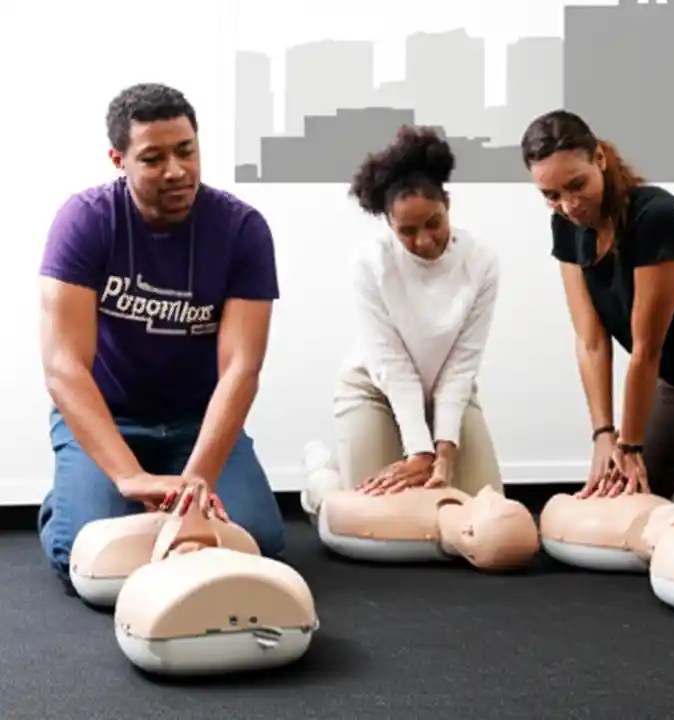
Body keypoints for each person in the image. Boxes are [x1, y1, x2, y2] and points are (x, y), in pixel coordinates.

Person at [36, 82, 286, 584]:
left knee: (260, 540)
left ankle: (148, 503)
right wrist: (127, 475)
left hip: (196, 420)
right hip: (111, 416)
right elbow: (63, 367)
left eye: (186, 151)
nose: (176, 171)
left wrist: (199, 477)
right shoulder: (84, 222)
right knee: (81, 555)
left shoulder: (242, 230)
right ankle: (75, 494)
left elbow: (242, 366)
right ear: (118, 159)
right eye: (153, 158)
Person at [520, 110, 674, 517]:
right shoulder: (567, 227)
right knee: (623, 497)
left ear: (600, 160)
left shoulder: (654, 218)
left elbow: (646, 349)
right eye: (551, 195)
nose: (568, 205)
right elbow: (590, 341)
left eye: (576, 185)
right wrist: (604, 435)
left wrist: (631, 444)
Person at [332, 125, 503, 498]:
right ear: (389, 224)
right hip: (374, 389)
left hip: (450, 390)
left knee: (486, 511)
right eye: (407, 231)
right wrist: (418, 450)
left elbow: (461, 365)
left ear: (447, 204)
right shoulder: (370, 265)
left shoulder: (481, 262)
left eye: (433, 223)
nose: (424, 241)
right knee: (367, 511)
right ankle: (322, 477)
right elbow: (392, 365)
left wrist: (443, 452)